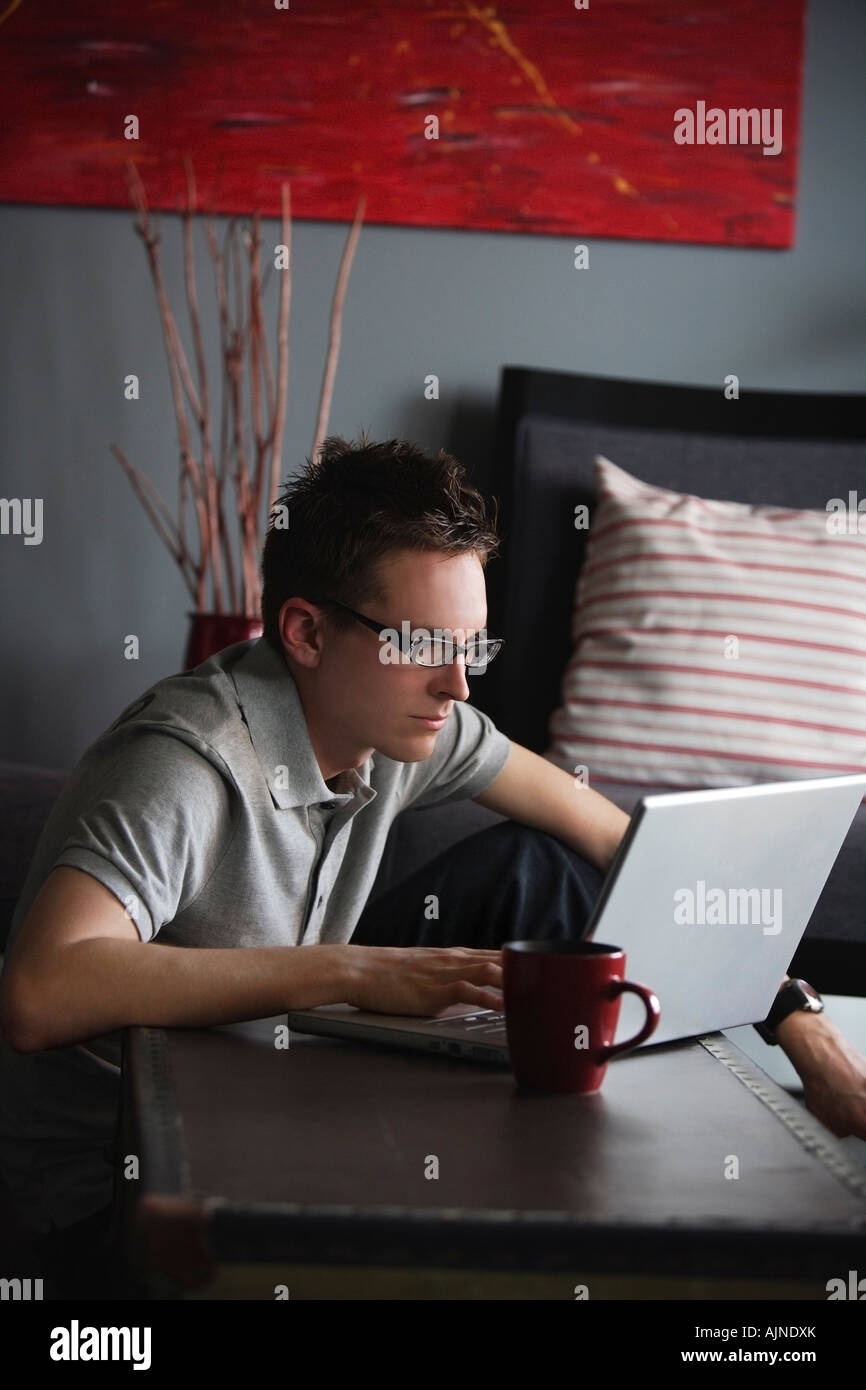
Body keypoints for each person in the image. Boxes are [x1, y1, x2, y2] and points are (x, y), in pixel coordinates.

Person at [1, 433, 864, 1300]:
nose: (458, 686)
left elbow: (620, 842)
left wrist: (796, 1019)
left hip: (263, 1071)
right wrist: (357, 972)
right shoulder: (183, 764)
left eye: (471, 647)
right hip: (109, 1192)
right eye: (422, 644)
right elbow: (41, 993)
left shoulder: (410, 722)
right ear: (304, 631)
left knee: (542, 866)